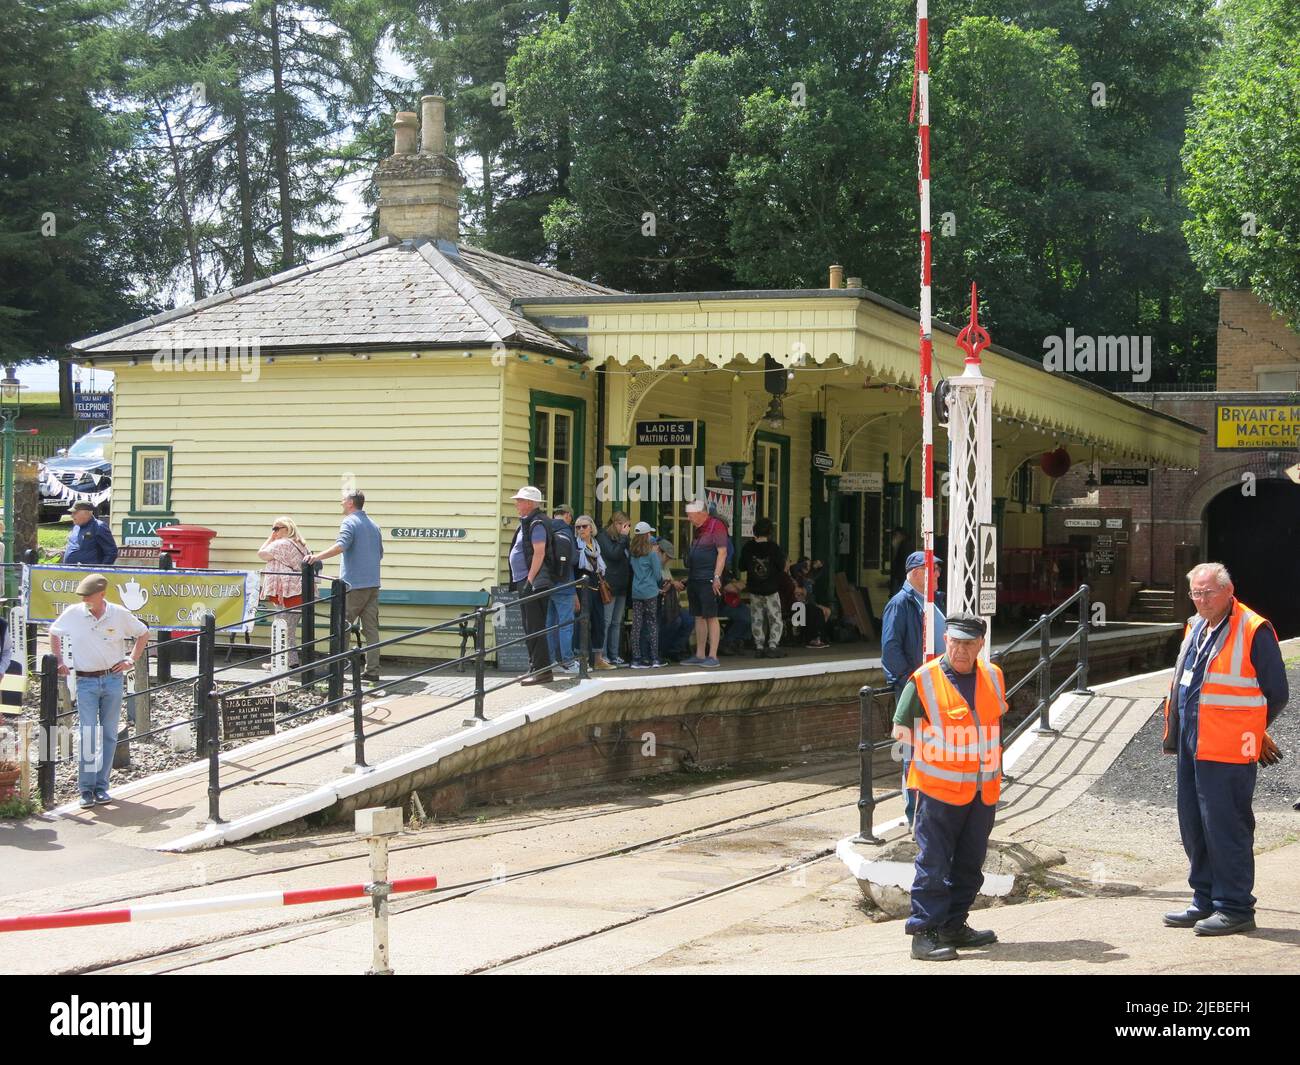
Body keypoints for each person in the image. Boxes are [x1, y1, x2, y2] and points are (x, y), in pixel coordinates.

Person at [1161, 562, 1289, 936]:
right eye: (1195, 593)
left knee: (1226, 825)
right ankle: (1204, 899)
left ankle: (1235, 906)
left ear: (1228, 591)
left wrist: (1252, 730)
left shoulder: (1253, 629)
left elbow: (1277, 693)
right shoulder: (1196, 626)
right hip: (1193, 741)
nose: (1201, 600)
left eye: (1208, 592)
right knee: (1194, 822)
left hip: (1228, 747)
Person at [891, 613, 1006, 961]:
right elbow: (901, 732)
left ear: (981, 644)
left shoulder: (994, 675)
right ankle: (923, 933)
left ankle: (954, 926)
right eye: (955, 641)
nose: (960, 649)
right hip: (938, 792)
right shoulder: (924, 680)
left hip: (982, 792)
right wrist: (943, 754)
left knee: (970, 864)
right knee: (934, 865)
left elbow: (990, 725)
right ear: (945, 640)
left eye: (968, 643)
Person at [49, 573, 149, 809]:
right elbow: (54, 632)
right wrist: (58, 660)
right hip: (86, 680)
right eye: (83, 596)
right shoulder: (74, 613)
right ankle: (86, 788)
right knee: (87, 733)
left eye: (88, 596)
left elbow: (143, 632)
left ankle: (101, 786)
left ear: (101, 594)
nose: (85, 600)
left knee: (109, 733)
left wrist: (131, 659)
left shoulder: (118, 613)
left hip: (112, 678)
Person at [881, 551, 948, 829]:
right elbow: (891, 649)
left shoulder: (933, 601)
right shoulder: (900, 603)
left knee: (934, 748)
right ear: (918, 572)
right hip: (918, 688)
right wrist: (911, 682)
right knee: (912, 751)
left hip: (937, 687)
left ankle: (932, 810)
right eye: (934, 569)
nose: (938, 574)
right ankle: (915, 816)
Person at [307, 490, 384, 680]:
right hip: (373, 583)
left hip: (354, 585)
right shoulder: (374, 525)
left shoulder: (349, 522)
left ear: (350, 503)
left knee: (342, 626)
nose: (341, 503)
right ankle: (373, 671)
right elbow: (379, 554)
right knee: (371, 630)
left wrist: (316, 557)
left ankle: (337, 670)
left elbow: (341, 545)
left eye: (343, 500)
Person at [505, 486, 557, 685]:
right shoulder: (528, 522)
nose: (516, 504)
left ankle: (543, 671)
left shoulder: (537, 523)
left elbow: (539, 553)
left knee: (535, 626)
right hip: (526, 581)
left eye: (520, 500)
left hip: (533, 582)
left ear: (529, 503)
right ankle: (534, 667)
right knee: (529, 626)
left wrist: (529, 580)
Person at [257, 516, 312, 669]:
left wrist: (270, 538)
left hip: (289, 594)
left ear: (287, 529)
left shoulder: (282, 544)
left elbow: (262, 554)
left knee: (282, 628)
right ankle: (289, 661)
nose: (274, 531)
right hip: (300, 591)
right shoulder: (301, 544)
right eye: (272, 529)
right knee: (288, 629)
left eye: (276, 528)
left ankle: (281, 663)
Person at [683, 500, 727, 667]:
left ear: (701, 513)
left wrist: (717, 577)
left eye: (690, 515)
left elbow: (722, 552)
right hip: (695, 577)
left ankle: (713, 656)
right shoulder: (698, 530)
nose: (688, 518)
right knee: (699, 616)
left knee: (711, 616)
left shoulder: (717, 526)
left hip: (708, 578)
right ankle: (700, 654)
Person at [738, 516, 786, 658]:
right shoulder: (774, 548)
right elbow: (781, 566)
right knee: (775, 618)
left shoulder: (748, 547)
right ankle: (773, 645)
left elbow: (741, 566)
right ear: (770, 532)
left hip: (755, 589)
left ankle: (759, 646)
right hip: (771, 589)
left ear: (755, 531)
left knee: (757, 618)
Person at [574, 515, 612, 670]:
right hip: (581, 590)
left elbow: (600, 568)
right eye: (578, 527)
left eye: (584, 526)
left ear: (591, 528)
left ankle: (598, 659)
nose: (581, 529)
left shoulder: (596, 545)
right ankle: (580, 659)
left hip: (596, 589)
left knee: (599, 623)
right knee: (582, 625)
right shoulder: (576, 546)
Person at [547, 504, 580, 674]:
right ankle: (568, 662)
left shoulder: (546, 528)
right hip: (565, 583)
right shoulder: (567, 531)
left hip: (547, 583)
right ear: (567, 515)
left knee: (550, 624)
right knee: (566, 624)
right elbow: (573, 559)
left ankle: (551, 661)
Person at [597, 512, 632, 665]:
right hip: (609, 585)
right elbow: (613, 555)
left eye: (628, 525)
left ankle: (614, 654)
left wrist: (625, 539)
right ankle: (603, 655)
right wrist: (624, 538)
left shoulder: (623, 538)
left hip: (622, 585)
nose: (626, 528)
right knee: (607, 621)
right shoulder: (603, 536)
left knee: (617, 622)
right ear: (615, 523)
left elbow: (628, 557)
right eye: (624, 525)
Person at [629, 522, 664, 668]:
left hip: (636, 591)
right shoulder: (651, 553)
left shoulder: (633, 552)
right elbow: (658, 575)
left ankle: (636, 658)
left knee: (636, 625)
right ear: (647, 535)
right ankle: (654, 657)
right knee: (652, 623)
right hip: (650, 592)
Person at [62, 501, 118, 566]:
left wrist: (101, 569)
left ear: (87, 513)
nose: (72, 516)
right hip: (68, 570)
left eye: (75, 513)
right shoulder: (76, 527)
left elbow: (111, 552)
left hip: (88, 571)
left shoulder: (99, 527)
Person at [888, 527, 910, 596]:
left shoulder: (904, 546)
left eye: (896, 535)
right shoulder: (900, 546)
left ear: (902, 536)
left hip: (901, 578)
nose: (894, 538)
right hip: (900, 577)